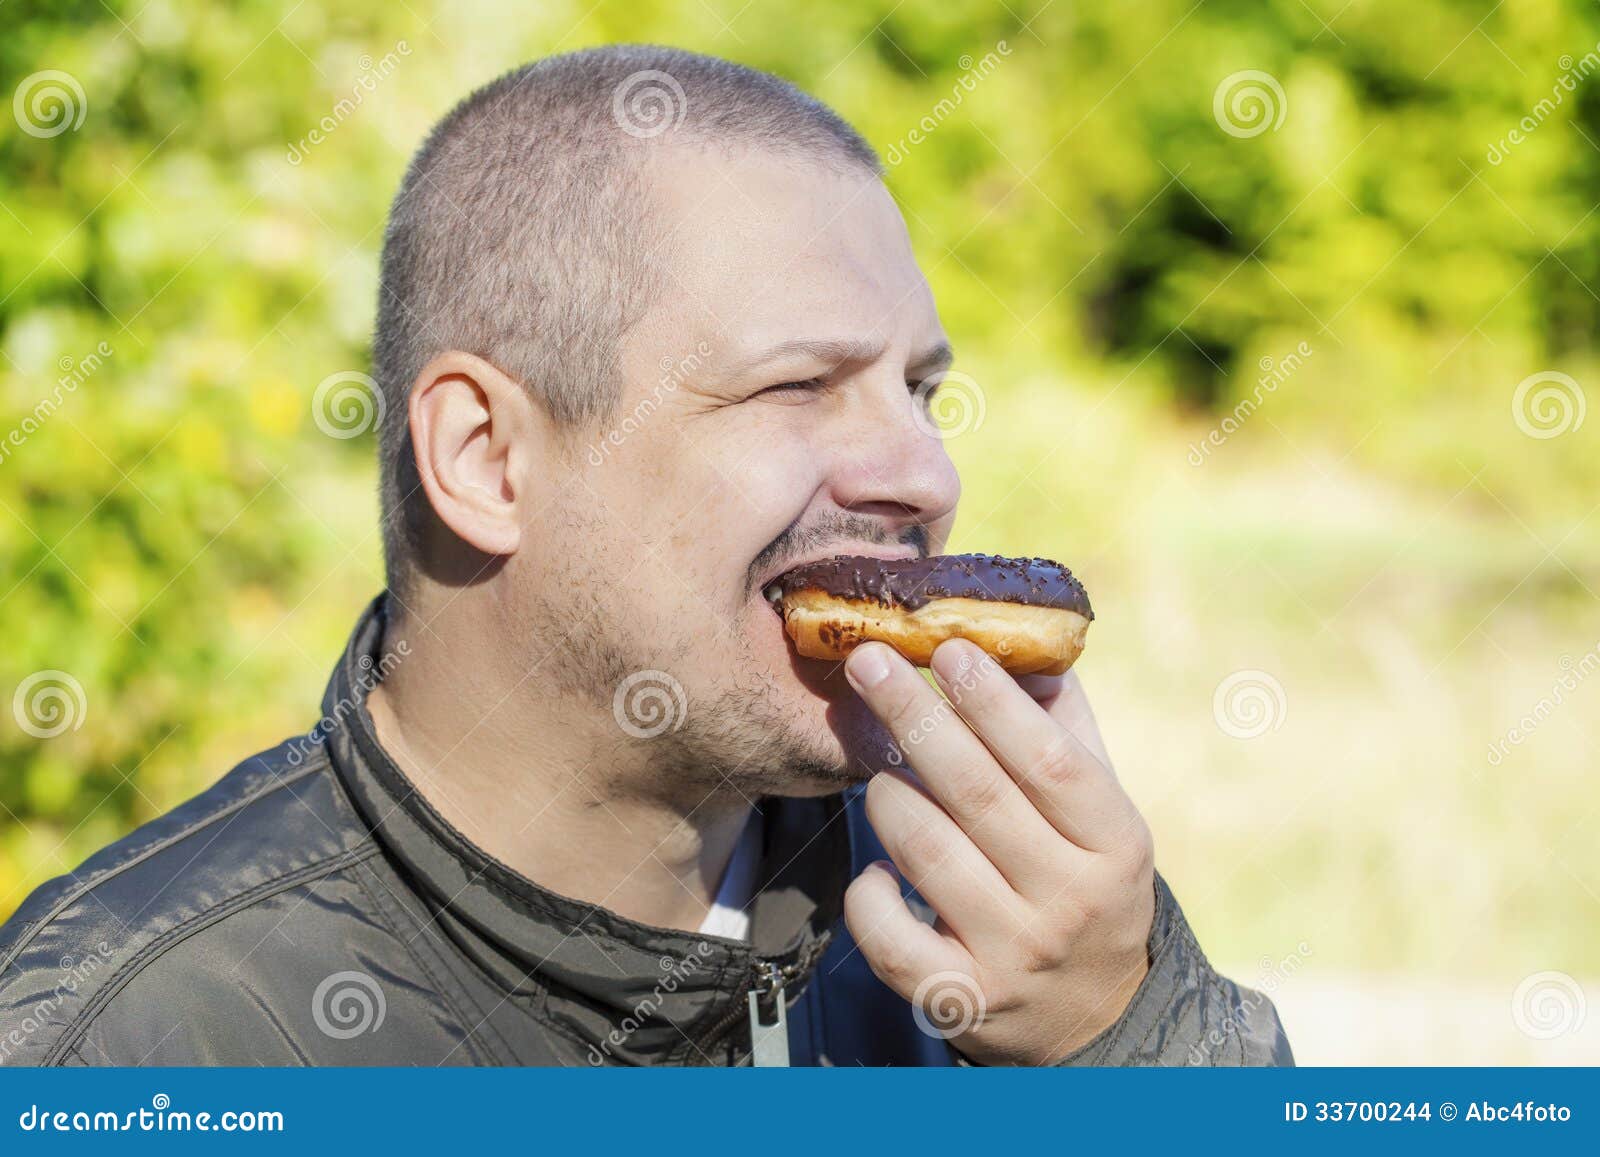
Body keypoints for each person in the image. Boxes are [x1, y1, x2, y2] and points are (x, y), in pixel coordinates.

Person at [0, 45, 1291, 1067]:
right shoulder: (123, 1042)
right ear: (488, 459)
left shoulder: (998, 927)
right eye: (798, 386)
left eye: (922, 391)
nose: (926, 476)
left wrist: (1127, 1040)